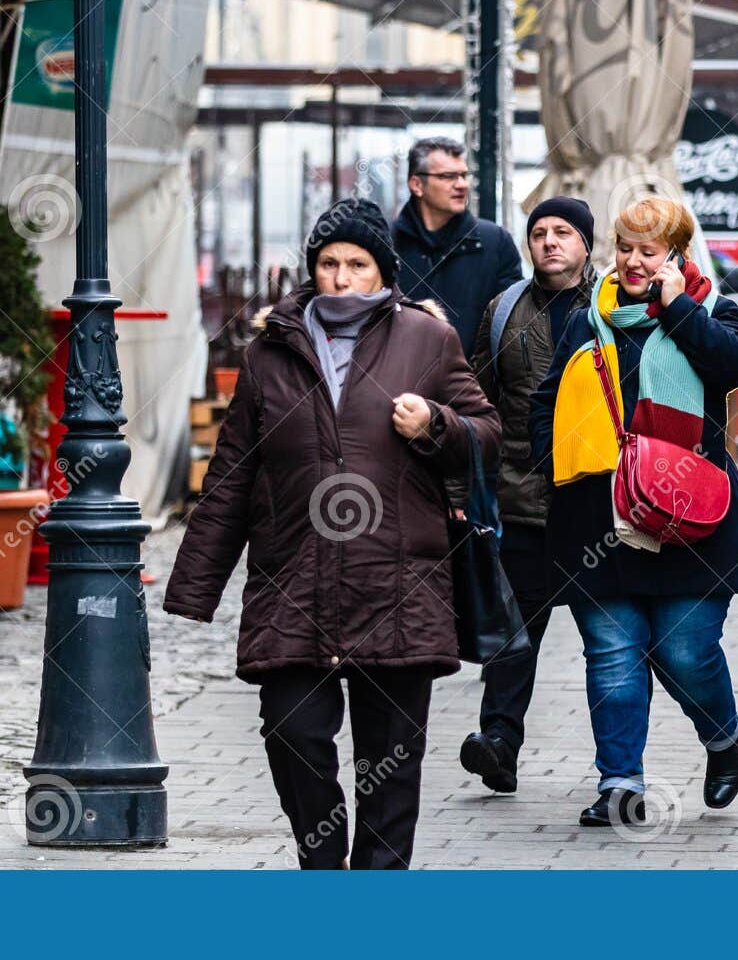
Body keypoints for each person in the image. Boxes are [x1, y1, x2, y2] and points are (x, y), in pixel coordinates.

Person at [163, 197, 499, 869]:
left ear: (383, 272)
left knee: (391, 757)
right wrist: (193, 589)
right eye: (329, 263)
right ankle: (322, 868)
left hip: (397, 582)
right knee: (292, 731)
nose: (342, 277)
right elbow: (232, 473)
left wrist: (436, 423)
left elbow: (486, 435)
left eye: (357, 264)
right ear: (312, 268)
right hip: (293, 582)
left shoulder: (427, 340)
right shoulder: (270, 353)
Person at [531, 197, 738, 828]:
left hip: (692, 515)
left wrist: (678, 305)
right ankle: (620, 784)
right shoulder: (589, 318)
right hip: (600, 517)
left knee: (685, 649)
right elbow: (547, 402)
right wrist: (558, 472)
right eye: (625, 247)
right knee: (612, 651)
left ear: (676, 257)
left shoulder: (714, 311)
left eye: (648, 251)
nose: (632, 261)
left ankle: (721, 738)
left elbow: (732, 364)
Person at [459, 196, 596, 794]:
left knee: (612, 644)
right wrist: (462, 488)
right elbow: (472, 401)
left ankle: (620, 768)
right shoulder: (504, 309)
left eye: (563, 232)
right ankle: (499, 743)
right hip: (518, 500)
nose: (549, 242)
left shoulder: (613, 305)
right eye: (539, 232)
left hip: (597, 507)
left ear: (587, 244)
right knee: (513, 633)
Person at [392, 137, 523, 357]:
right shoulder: (386, 245)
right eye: (447, 176)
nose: (462, 184)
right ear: (416, 184)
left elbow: (513, 327)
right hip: (399, 384)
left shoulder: (496, 243)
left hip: (473, 387)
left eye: (464, 175)